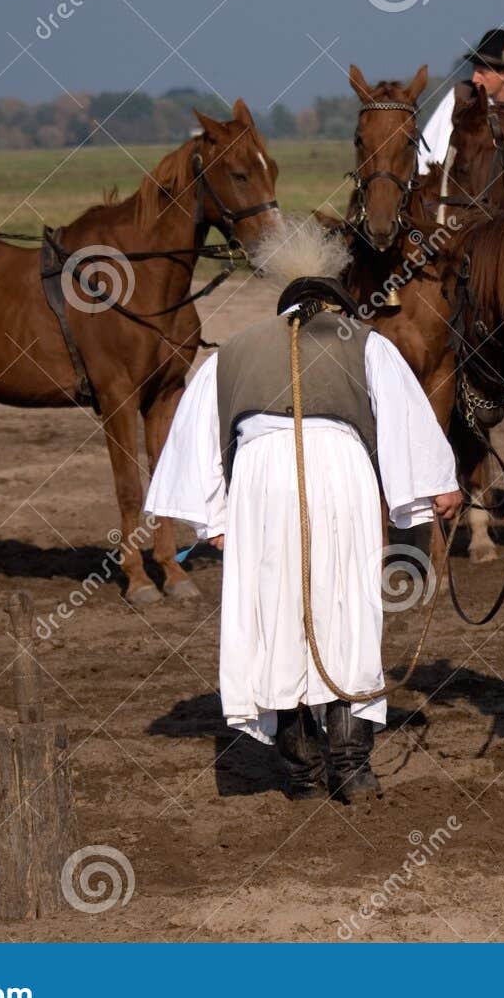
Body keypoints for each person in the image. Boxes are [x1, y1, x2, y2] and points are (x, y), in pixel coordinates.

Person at [145, 264, 462, 804]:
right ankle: (351, 767)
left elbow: (194, 440)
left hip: (259, 482)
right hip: (343, 476)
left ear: (287, 308)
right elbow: (405, 415)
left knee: (275, 619)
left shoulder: (233, 353)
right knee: (348, 614)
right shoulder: (366, 343)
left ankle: (301, 771)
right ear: (335, 306)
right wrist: (437, 484)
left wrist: (214, 520)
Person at [416, 28, 504, 175]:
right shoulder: (460, 97)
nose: (474, 79)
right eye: (474, 71)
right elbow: (427, 154)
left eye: (482, 73)